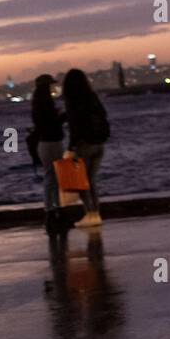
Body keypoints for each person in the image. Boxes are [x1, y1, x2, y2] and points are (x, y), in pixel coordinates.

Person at [61, 68, 110, 228]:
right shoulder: (92, 96)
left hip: (84, 145)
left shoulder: (72, 99)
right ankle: (96, 214)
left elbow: (75, 126)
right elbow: (103, 114)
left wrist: (72, 147)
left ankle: (91, 214)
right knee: (91, 181)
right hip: (99, 144)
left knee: (81, 183)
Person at [29, 74, 67, 236]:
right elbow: (53, 123)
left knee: (49, 177)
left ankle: (50, 211)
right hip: (53, 142)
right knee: (56, 177)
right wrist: (63, 116)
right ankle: (57, 210)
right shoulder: (47, 104)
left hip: (43, 143)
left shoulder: (36, 105)